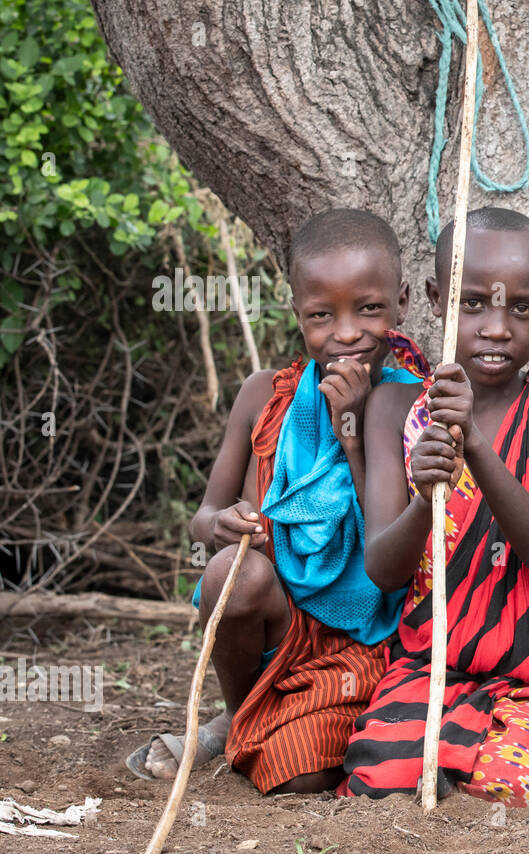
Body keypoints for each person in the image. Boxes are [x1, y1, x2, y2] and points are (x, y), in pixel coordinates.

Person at [338, 208, 529, 805]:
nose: (497, 327)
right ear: (435, 300)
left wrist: (474, 443)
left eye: (522, 308)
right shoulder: (395, 410)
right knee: (381, 781)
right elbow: (383, 570)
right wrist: (425, 499)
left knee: (504, 779)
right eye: (473, 303)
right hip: (430, 670)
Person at [127, 208, 417, 793]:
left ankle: (238, 732)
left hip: (366, 640)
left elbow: (391, 552)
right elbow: (201, 518)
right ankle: (242, 714)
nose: (346, 332)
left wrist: (353, 431)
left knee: (298, 780)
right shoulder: (263, 396)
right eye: (320, 315)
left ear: (402, 304)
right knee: (231, 573)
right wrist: (224, 524)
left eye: (369, 308)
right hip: (278, 626)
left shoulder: (413, 406)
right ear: (297, 315)